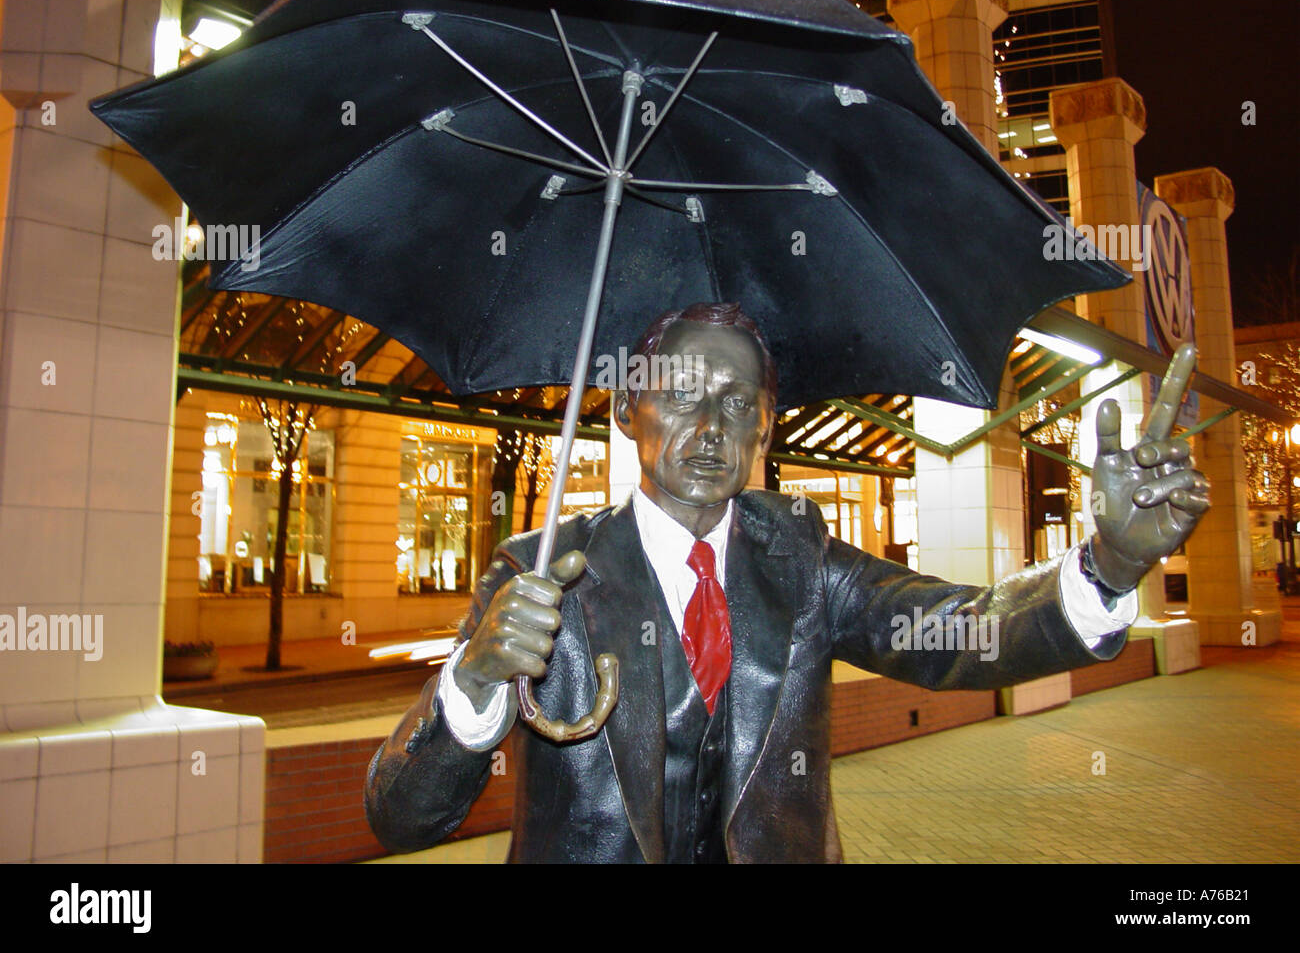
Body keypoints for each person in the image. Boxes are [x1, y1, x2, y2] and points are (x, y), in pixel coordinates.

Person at [364, 302, 1209, 863]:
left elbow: (963, 630)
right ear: (626, 409)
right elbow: (402, 818)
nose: (709, 426)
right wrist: (473, 682)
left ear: (768, 424)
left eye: (739, 404)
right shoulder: (537, 570)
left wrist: (1110, 562)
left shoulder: (802, 559)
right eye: (683, 394)